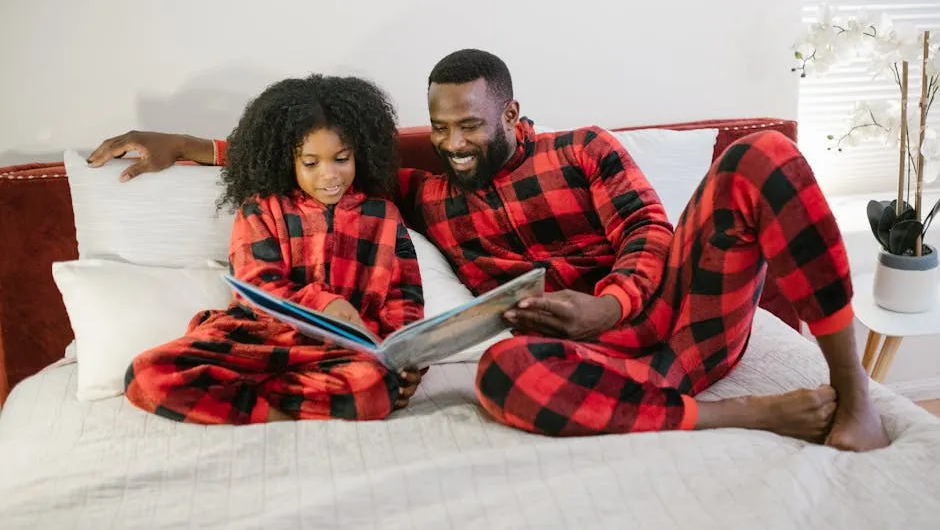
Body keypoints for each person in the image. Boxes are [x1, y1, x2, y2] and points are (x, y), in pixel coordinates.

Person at [91, 50, 889, 451]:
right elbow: (320, 149)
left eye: (471, 125)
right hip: (608, 370)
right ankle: (742, 415)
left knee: (760, 157)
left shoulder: (583, 150)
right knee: (497, 374)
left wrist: (607, 302)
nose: (454, 143)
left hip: (682, 319)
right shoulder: (424, 191)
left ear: (512, 110)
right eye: (441, 129)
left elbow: (650, 232)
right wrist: (192, 144)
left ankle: (852, 395)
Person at [123, 74, 425, 425]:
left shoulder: (383, 214)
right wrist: (325, 302)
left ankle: (250, 401)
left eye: (341, 159)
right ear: (288, 160)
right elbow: (257, 284)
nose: (329, 175)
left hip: (341, 353)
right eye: (311, 163)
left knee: (372, 389)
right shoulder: (261, 209)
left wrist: (405, 359)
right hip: (258, 341)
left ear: (360, 152)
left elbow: (405, 300)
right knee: (147, 374)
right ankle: (287, 408)